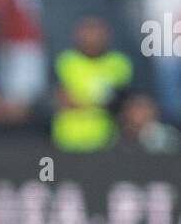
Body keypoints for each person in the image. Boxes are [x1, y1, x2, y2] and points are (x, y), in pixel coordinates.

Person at [52, 16, 133, 150]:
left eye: (96, 31)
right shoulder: (65, 61)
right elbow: (61, 99)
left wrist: (82, 102)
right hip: (67, 141)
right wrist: (97, 103)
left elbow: (121, 102)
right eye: (87, 30)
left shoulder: (119, 63)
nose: (92, 37)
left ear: (107, 34)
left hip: (108, 140)